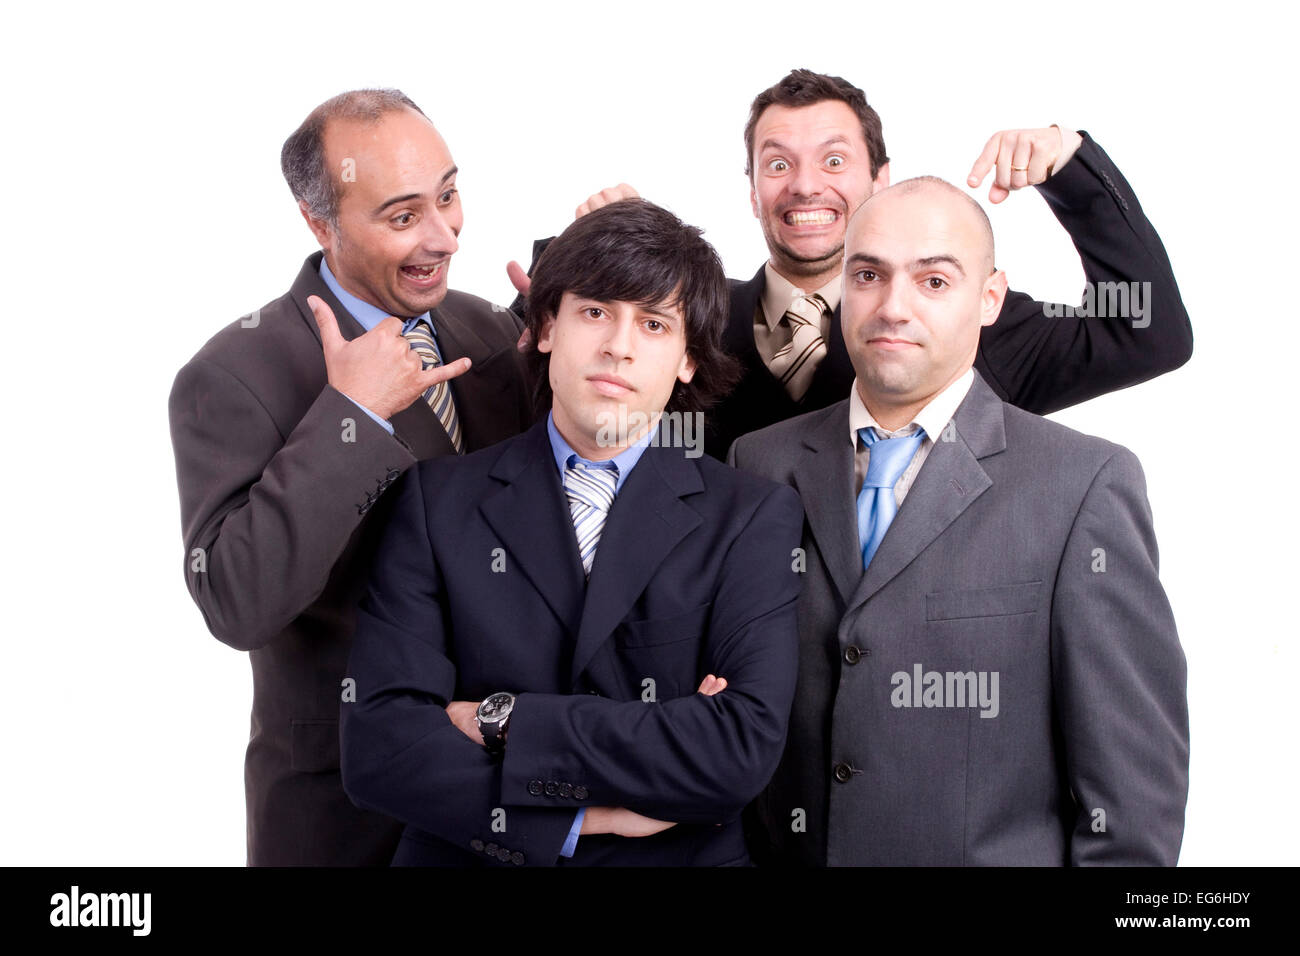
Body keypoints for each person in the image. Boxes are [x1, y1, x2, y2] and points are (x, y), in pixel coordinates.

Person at [729, 176, 1189, 865]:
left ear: (990, 298)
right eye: (868, 275)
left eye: (934, 281)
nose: (892, 306)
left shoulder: (1082, 486)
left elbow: (1132, 805)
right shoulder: (758, 463)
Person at [341, 200, 804, 866]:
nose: (619, 344)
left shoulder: (752, 516)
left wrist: (503, 719)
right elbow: (382, 748)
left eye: (653, 324)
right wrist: (582, 818)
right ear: (547, 326)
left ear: (688, 362)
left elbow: (738, 749)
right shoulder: (435, 502)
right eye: (595, 312)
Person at [168, 89, 532, 865]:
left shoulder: (486, 328)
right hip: (345, 817)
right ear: (317, 222)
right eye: (403, 217)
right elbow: (236, 601)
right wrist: (350, 417)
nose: (445, 236)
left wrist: (585, 323)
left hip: (504, 799)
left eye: (449, 195)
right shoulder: (235, 374)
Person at [523, 69, 1193, 459]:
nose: (806, 185)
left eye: (835, 160)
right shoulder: (672, 321)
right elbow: (553, 399)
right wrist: (602, 258)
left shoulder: (960, 322)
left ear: (881, 178)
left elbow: (1146, 333)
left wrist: (1072, 173)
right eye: (778, 163)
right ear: (752, 189)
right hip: (708, 681)